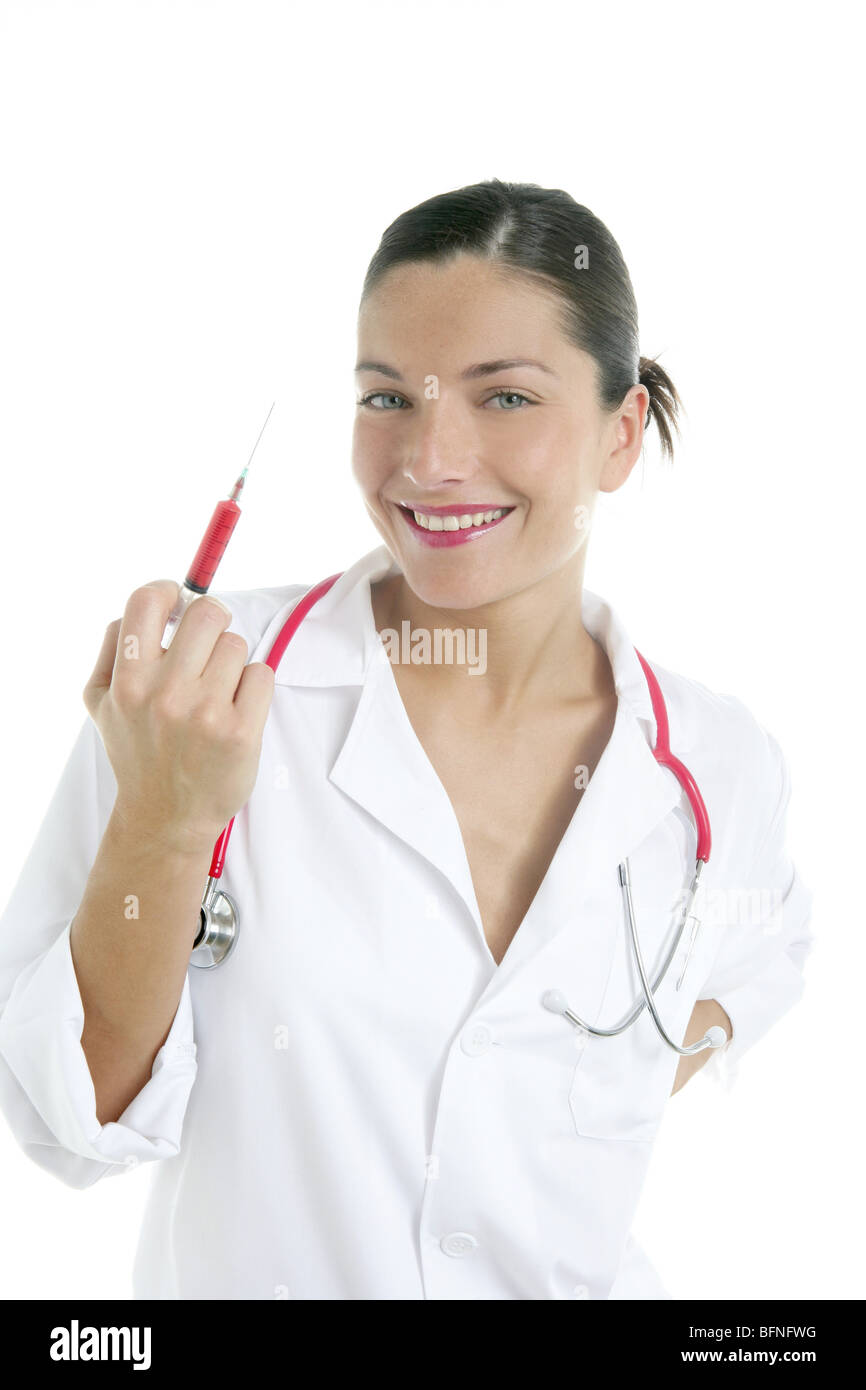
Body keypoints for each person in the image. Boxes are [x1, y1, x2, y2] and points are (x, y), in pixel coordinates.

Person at [0, 179, 813, 1300]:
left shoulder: (716, 769)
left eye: (505, 399)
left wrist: (619, 1061)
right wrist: (168, 816)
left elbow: (765, 956)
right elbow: (70, 1114)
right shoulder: (198, 693)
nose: (429, 459)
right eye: (386, 399)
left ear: (621, 434)